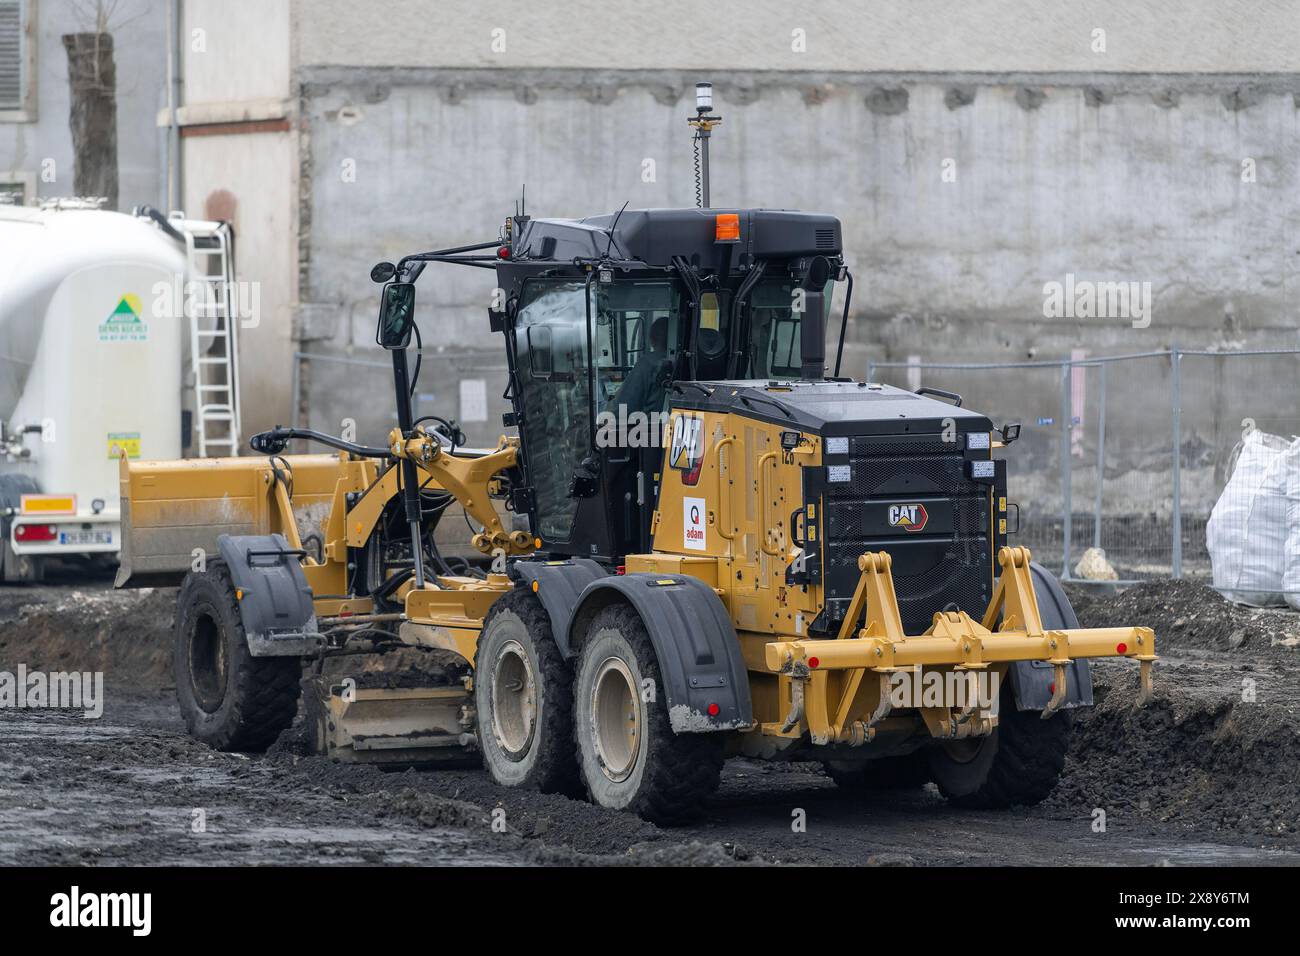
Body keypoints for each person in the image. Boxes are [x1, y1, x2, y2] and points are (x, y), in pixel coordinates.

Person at [612, 315, 672, 416]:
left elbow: (624, 408)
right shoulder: (682, 364)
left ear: (652, 339)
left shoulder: (647, 364)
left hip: (645, 428)